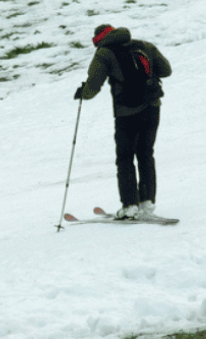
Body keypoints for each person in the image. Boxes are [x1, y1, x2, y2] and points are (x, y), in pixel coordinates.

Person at [74, 24, 172, 219]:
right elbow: (166, 70)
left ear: (99, 39)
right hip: (152, 107)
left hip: (126, 112)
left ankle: (129, 206)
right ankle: (146, 203)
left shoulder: (104, 53)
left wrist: (82, 93)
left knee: (125, 158)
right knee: (145, 154)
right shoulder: (144, 46)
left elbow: (94, 85)